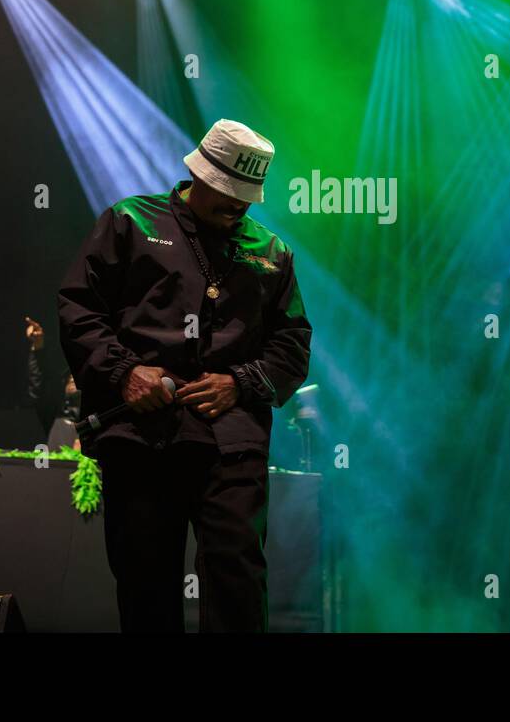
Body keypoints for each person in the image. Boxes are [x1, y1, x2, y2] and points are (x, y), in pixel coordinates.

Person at [57, 119, 312, 632]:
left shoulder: (271, 251)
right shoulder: (129, 222)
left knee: (238, 578)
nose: (236, 205)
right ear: (199, 173)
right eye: (225, 192)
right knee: (145, 580)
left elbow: (291, 344)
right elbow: (80, 309)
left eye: (246, 196)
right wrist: (126, 371)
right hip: (141, 432)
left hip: (232, 437)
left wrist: (240, 382)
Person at [24, 315, 81, 451]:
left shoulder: (98, 415)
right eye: (70, 377)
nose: (73, 379)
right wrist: (37, 347)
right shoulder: (53, 412)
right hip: (54, 467)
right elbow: (38, 386)